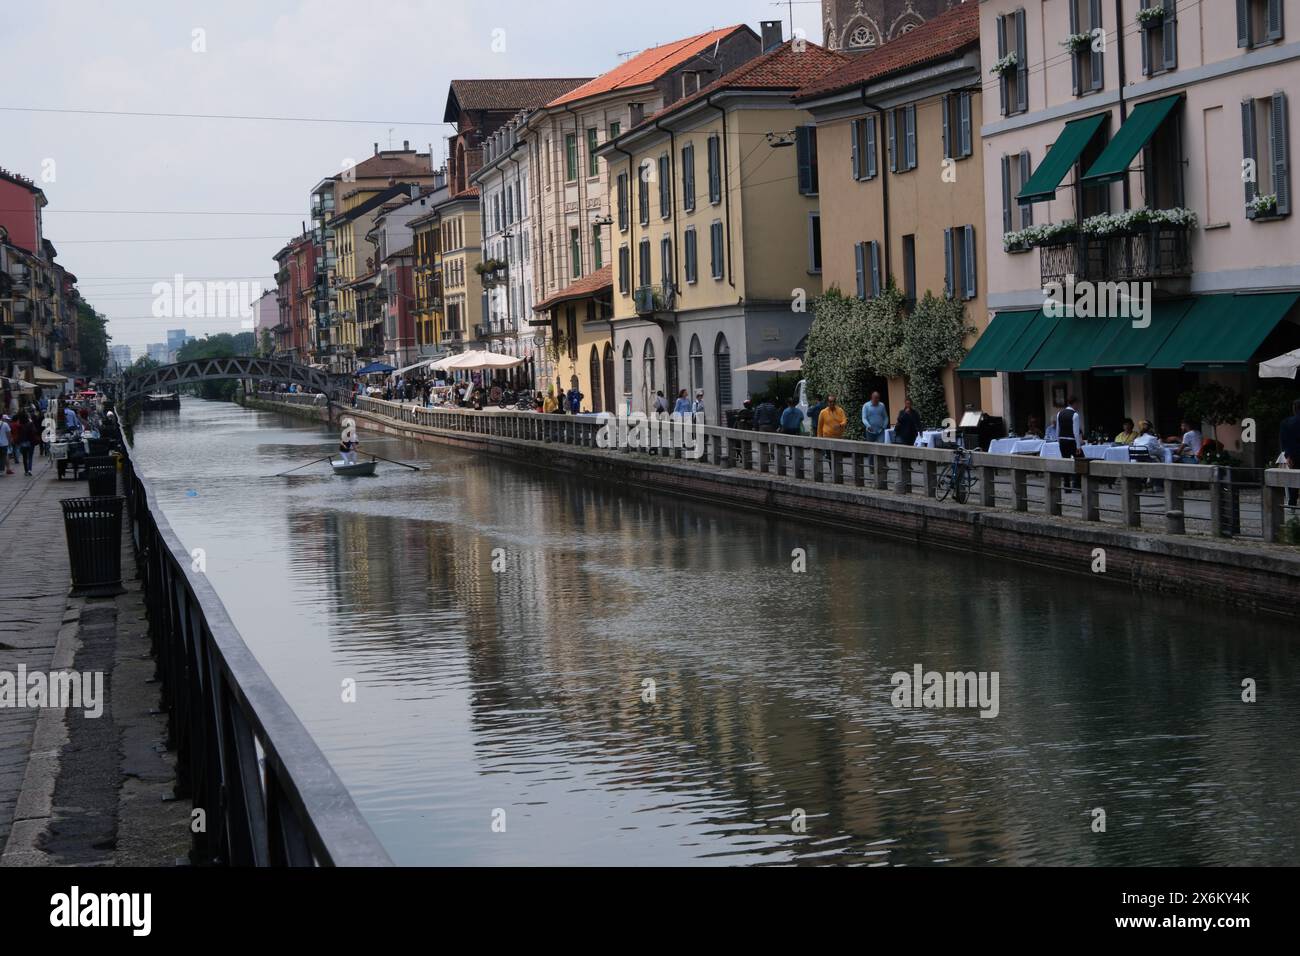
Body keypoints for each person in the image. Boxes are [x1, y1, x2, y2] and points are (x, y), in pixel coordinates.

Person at [1056, 396, 1083, 490]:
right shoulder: (1075, 415)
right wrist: (1078, 446)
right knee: (1081, 461)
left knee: (1065, 462)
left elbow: (1058, 429)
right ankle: (1077, 483)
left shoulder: (1059, 413)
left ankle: (1066, 485)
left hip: (1062, 440)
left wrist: (1058, 441)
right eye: (1077, 403)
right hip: (1071, 441)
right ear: (1074, 403)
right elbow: (1076, 432)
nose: (1078, 405)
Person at [1280, 399, 1300, 507]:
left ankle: (1292, 503)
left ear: (1294, 409)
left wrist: (1287, 456)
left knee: (1293, 480)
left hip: (1293, 455)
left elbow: (1284, 441)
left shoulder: (1286, 422)